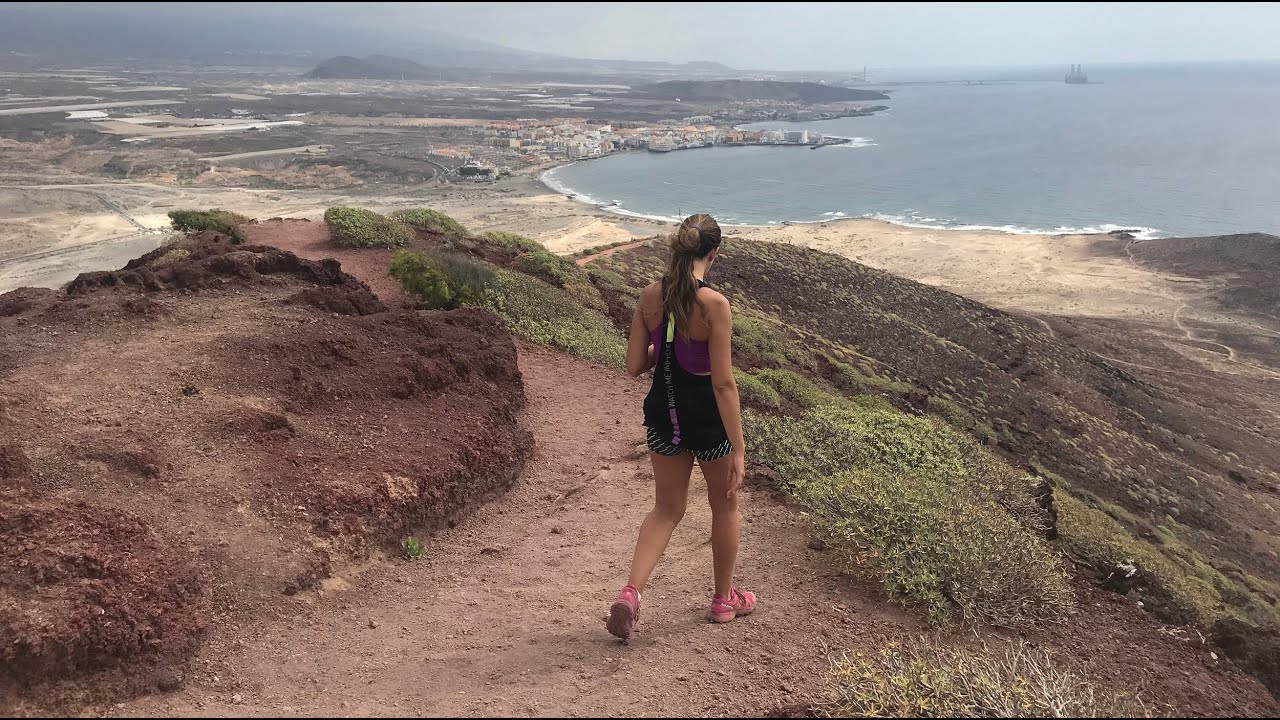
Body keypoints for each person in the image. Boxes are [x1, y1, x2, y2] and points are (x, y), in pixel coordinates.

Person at [606, 213, 756, 641]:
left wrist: (667, 344)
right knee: (725, 507)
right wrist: (739, 447)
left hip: (663, 415)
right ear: (714, 253)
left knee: (666, 510)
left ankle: (631, 593)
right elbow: (723, 384)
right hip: (707, 420)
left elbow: (634, 364)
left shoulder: (650, 295)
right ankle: (723, 600)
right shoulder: (715, 305)